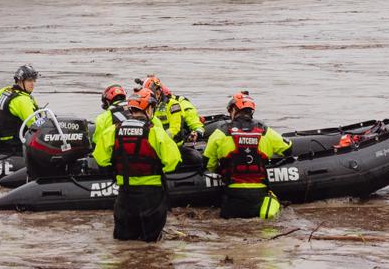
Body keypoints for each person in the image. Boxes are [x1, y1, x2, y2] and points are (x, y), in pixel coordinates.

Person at [93, 87, 181, 242]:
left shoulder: (113, 131)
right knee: (151, 245)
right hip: (152, 196)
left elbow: (101, 159)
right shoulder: (156, 132)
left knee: (123, 243)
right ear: (148, 108)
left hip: (125, 196)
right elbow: (173, 162)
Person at [203, 91, 292, 219]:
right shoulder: (265, 131)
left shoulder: (220, 133)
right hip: (259, 195)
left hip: (233, 194)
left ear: (234, 110)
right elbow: (288, 149)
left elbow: (208, 164)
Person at [0, 64, 40, 152]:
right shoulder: (22, 100)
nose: (33, 83)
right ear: (20, 81)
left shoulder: (7, 90)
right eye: (29, 80)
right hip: (15, 142)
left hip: (1, 138)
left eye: (34, 80)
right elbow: (35, 126)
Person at [91, 83, 129, 154]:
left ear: (107, 102)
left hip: (117, 160)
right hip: (145, 159)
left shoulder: (103, 117)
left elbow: (97, 142)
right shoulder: (140, 111)